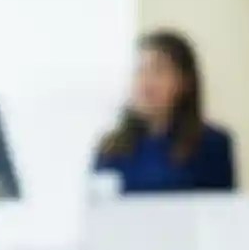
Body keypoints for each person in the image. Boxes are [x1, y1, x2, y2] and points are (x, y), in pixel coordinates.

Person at [94, 30, 235, 193]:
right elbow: (99, 211)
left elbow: (221, 212)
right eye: (140, 71)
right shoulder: (111, 146)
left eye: (158, 71)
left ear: (185, 82)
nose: (146, 81)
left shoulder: (213, 144)